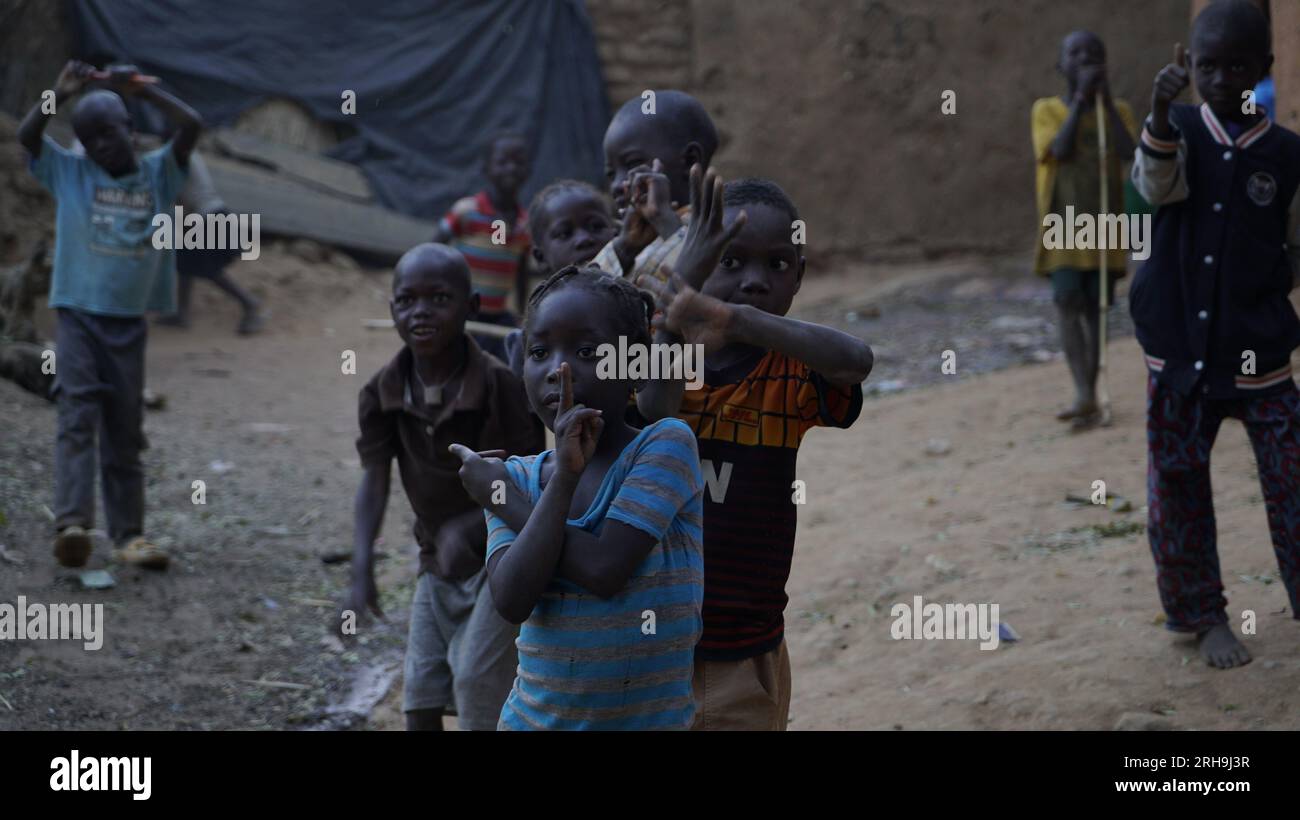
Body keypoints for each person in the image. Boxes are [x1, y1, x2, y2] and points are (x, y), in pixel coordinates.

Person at [638, 174, 874, 729]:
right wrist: (678, 309)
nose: (753, 281)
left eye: (777, 265)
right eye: (732, 261)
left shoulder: (792, 374)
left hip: (746, 647)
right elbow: (654, 410)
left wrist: (735, 320)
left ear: (800, 277)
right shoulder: (662, 356)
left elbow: (856, 361)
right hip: (651, 637)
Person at [452, 266, 705, 730]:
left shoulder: (665, 445)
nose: (558, 370)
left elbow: (604, 568)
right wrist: (557, 481)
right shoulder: (519, 477)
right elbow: (512, 600)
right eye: (540, 352)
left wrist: (501, 497)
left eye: (587, 351)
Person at [1130, 0, 1300, 668]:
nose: (1224, 78)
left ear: (1265, 68)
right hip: (1176, 351)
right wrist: (1155, 115)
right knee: (1177, 485)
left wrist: (1261, 296)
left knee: (1292, 478)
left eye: (1239, 65)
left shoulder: (1286, 155)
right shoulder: (1174, 133)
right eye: (1208, 66)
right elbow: (1154, 189)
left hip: (1260, 354)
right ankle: (1204, 617)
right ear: (1187, 65)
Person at [348, 243, 543, 729]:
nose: (420, 312)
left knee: (478, 679)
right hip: (436, 562)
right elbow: (374, 482)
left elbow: (531, 484)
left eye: (439, 298)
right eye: (406, 300)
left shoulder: (501, 387)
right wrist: (360, 568)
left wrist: (472, 525)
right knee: (420, 690)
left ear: (472, 307)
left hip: (502, 558)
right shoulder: (382, 392)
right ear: (391, 308)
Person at [19, 61, 202, 570]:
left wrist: (139, 91)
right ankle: (73, 524)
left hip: (127, 324)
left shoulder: (160, 174)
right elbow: (28, 134)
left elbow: (192, 125)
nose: (101, 144)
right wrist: (57, 93)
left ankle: (129, 536)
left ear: (129, 128)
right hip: (76, 317)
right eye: (90, 137)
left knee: (124, 427)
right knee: (77, 417)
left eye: (109, 131)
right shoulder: (71, 173)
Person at [1031, 30, 1137, 430]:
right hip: (1064, 220)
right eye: (1075, 53)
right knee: (1067, 299)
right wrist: (1080, 102)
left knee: (1097, 308)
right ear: (1061, 66)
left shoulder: (1117, 110)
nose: (1085, 59)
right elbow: (1058, 150)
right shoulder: (1047, 109)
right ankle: (1081, 390)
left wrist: (1106, 103)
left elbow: (1130, 152)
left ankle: (1090, 394)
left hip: (1104, 223)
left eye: (1094, 53)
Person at [593, 90, 719, 283]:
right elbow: (584, 295)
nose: (618, 184)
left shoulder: (720, 231)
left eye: (633, 163)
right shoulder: (629, 238)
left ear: (689, 160)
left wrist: (666, 223)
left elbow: (711, 291)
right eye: (611, 174)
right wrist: (623, 249)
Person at [433, 133, 531, 361]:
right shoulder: (467, 212)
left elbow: (521, 271)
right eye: (503, 162)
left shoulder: (525, 225)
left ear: (528, 170)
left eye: (518, 162)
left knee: (508, 365)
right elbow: (432, 251)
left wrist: (520, 312)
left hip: (498, 317)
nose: (511, 168)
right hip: (461, 315)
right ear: (486, 168)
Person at [156, 149, 264, 334]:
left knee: (208, 269)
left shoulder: (176, 157)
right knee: (184, 264)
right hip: (212, 213)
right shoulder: (190, 154)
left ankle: (250, 303)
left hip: (205, 216)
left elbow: (182, 199)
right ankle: (182, 312)